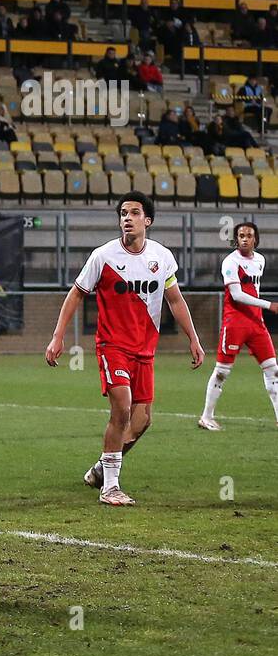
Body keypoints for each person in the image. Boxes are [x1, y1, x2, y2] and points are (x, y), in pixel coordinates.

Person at [45, 192, 205, 506]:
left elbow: (175, 300)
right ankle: (111, 488)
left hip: (145, 350)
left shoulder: (162, 257)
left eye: (133, 213)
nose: (127, 218)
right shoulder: (103, 256)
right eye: (122, 213)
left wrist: (194, 338)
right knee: (122, 409)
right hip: (112, 346)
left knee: (142, 420)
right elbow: (76, 294)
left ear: (148, 220)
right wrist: (57, 336)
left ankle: (101, 469)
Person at [199, 222, 278, 431]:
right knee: (222, 372)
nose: (244, 238)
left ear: (255, 239)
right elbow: (237, 295)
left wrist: (262, 311)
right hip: (234, 324)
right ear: (236, 239)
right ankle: (206, 417)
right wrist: (269, 305)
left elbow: (254, 290)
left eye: (249, 235)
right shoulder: (230, 262)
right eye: (241, 235)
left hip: (256, 324)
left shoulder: (261, 260)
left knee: (273, 370)